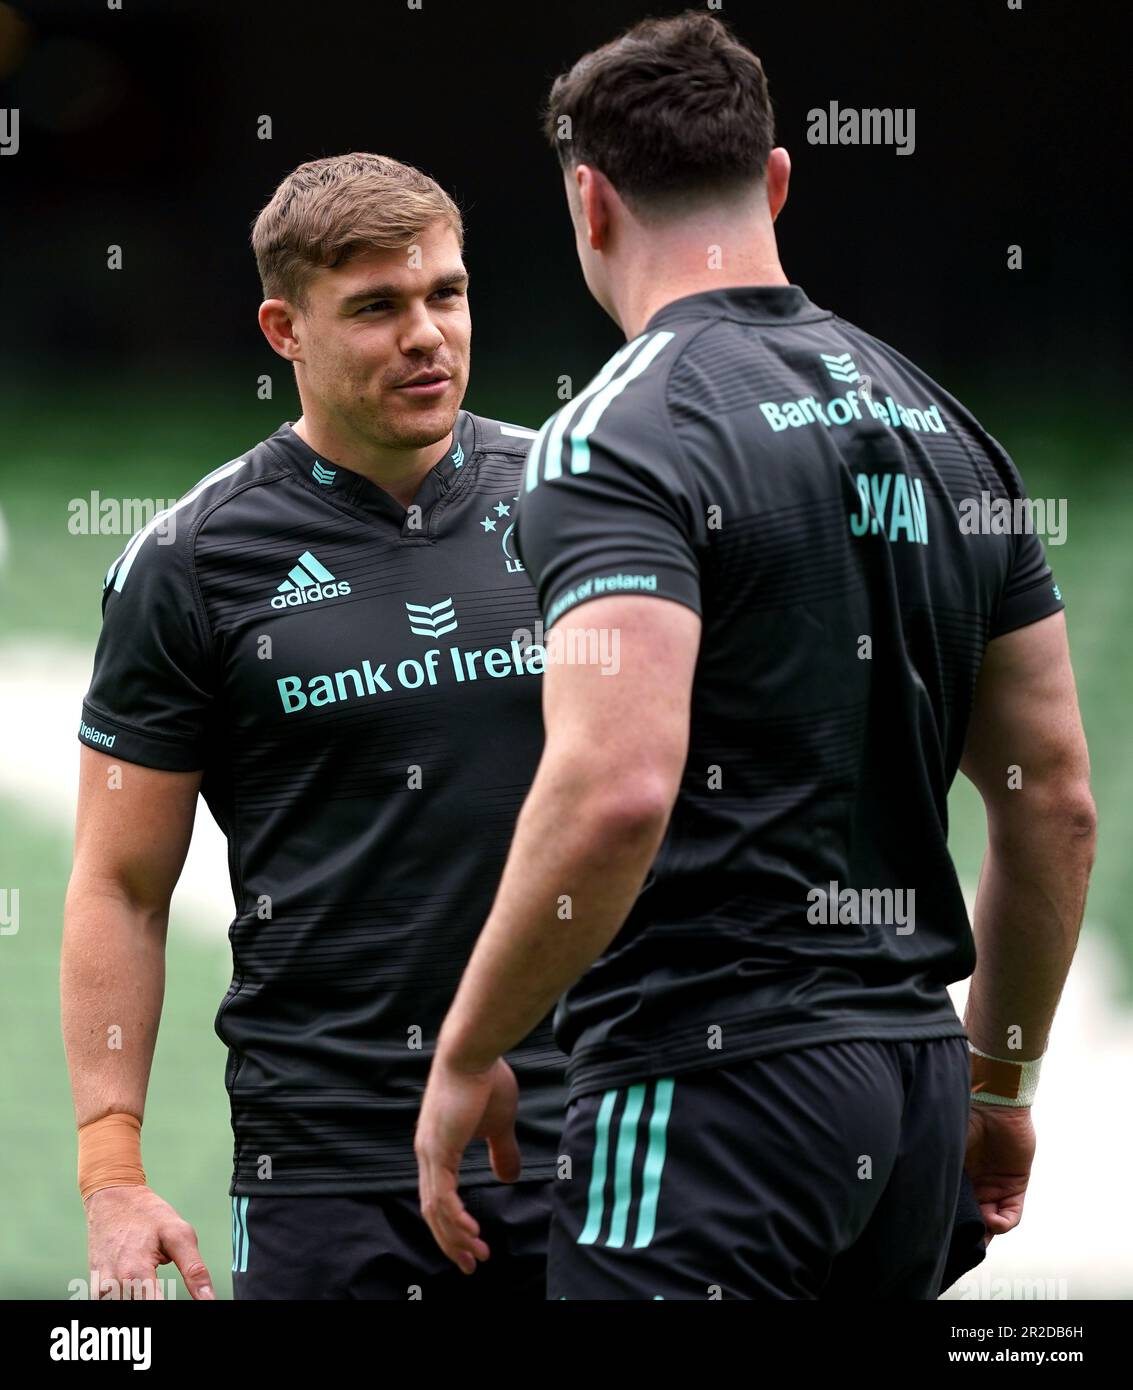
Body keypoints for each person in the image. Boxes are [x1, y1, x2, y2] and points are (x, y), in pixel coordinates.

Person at [415, 14, 1096, 1299]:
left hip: (710, 1095)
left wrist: (466, 1048)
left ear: (589, 199)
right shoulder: (946, 428)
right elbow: (1051, 800)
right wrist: (998, 1078)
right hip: (910, 1102)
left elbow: (615, 791)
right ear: (775, 179)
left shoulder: (616, 436)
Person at [62, 152, 565, 1301]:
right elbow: (120, 887)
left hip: (583, 1137)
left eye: (445, 293)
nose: (426, 334)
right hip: (326, 1168)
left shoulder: (580, 503)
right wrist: (111, 1171)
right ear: (283, 329)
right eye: (377, 307)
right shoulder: (191, 561)